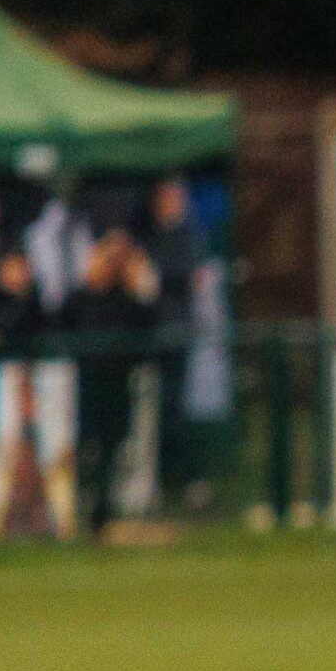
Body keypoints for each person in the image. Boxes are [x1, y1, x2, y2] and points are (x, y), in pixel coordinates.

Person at [65, 229, 159, 539]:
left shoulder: (128, 300)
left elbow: (150, 326)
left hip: (117, 386)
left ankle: (99, 517)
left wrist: (140, 282)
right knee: (82, 449)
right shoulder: (82, 296)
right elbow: (63, 323)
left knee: (109, 451)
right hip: (84, 386)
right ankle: (74, 513)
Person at [145, 177, 207, 507]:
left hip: (176, 333)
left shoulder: (189, 234)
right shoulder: (153, 235)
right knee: (153, 409)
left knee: (174, 406)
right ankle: (153, 481)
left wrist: (156, 277)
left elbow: (188, 277)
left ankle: (191, 478)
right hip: (150, 333)